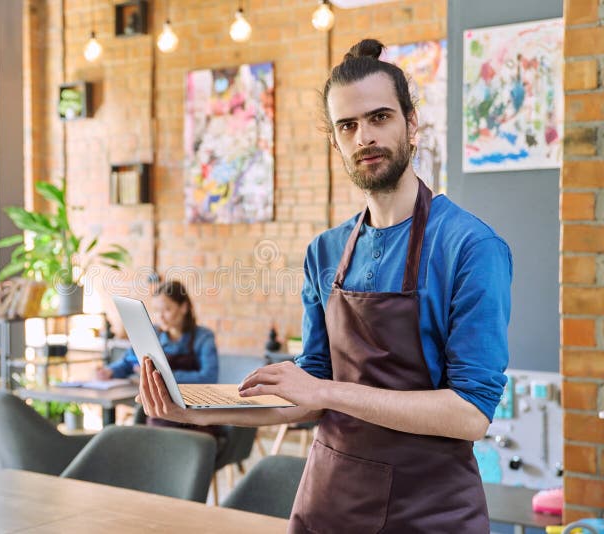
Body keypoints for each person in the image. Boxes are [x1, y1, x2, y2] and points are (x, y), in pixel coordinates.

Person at [137, 39, 511, 533]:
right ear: (335, 140)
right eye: (348, 126)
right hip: (330, 504)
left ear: (411, 123)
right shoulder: (325, 253)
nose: (364, 138)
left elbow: (470, 414)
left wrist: (327, 391)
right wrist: (189, 411)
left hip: (429, 512)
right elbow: (307, 393)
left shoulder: (470, 247)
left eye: (380, 118)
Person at [99, 280, 219, 432]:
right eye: (157, 310)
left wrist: (164, 376)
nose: (160, 317)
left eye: (167, 310)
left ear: (184, 307)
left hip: (194, 418)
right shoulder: (153, 333)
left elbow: (209, 378)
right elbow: (130, 361)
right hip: (160, 415)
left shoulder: (204, 337)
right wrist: (111, 371)